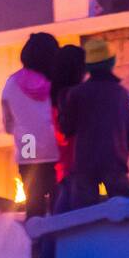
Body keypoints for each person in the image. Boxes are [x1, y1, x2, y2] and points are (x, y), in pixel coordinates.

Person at [57, 39, 129, 208]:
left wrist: (62, 104)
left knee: (83, 217)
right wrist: (123, 157)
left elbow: (67, 128)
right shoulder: (121, 94)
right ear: (111, 62)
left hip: (85, 164)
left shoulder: (77, 93)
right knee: (126, 211)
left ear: (87, 66)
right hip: (115, 162)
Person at [1, 31, 60, 220]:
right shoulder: (57, 82)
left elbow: (8, 124)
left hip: (28, 149)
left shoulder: (11, 84)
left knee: (34, 208)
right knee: (60, 209)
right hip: (55, 150)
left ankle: (37, 245)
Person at [49, 44, 86, 214]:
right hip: (75, 162)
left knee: (60, 212)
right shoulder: (74, 95)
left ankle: (47, 240)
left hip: (59, 163)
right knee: (71, 215)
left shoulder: (50, 95)